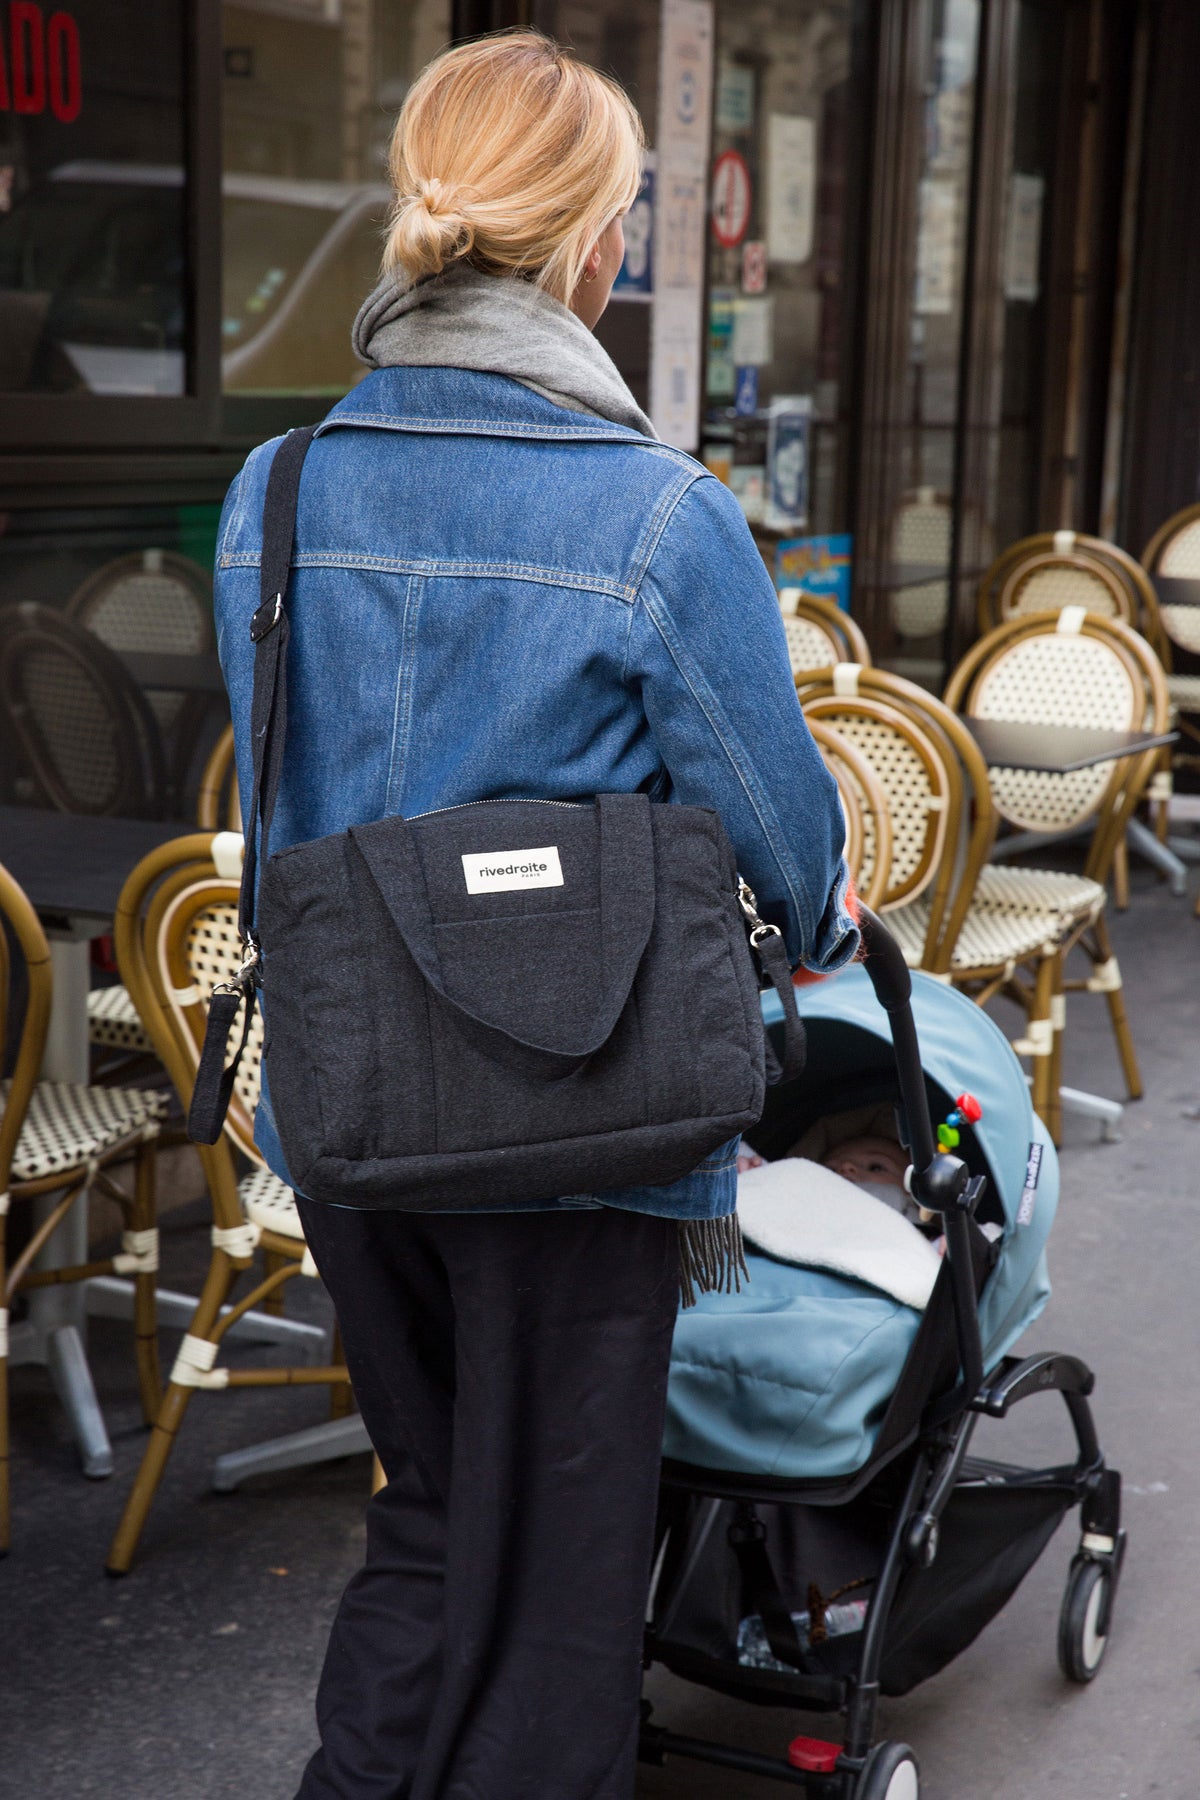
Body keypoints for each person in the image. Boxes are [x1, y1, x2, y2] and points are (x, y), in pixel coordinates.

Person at [213, 31, 858, 1800]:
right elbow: (781, 837)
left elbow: (291, 803)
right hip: (586, 1126)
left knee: (428, 1516)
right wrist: (828, 915)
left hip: (357, 1124)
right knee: (565, 1579)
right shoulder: (660, 514)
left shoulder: (273, 498)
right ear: (592, 244)